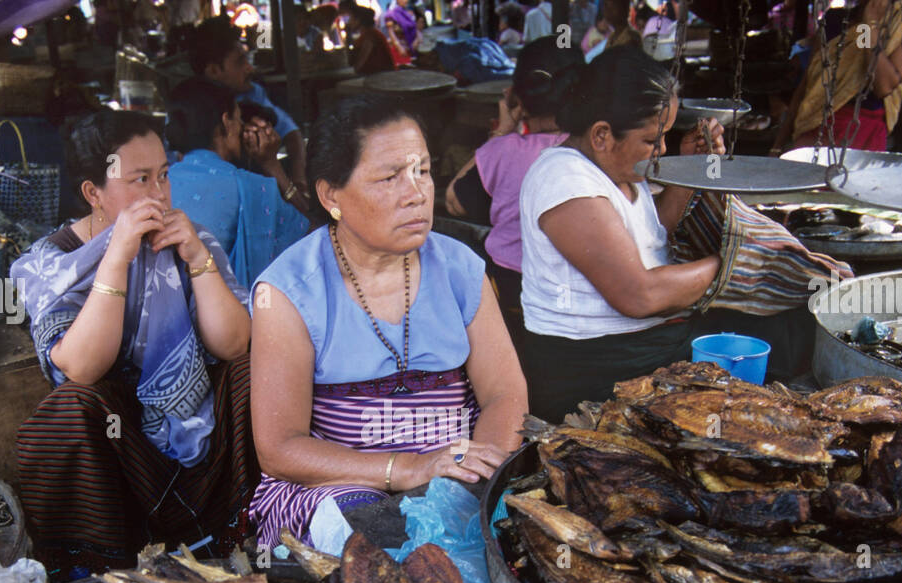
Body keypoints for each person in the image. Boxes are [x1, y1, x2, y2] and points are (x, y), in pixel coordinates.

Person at [247, 96, 527, 544]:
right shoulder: (286, 293)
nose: (416, 193)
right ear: (331, 195)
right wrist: (409, 469)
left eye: (423, 171)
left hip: (453, 473)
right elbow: (280, 449)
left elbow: (504, 392)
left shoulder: (460, 267)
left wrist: (480, 471)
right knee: (371, 547)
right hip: (343, 487)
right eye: (390, 177)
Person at [11, 111, 257, 575]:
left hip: (196, 422)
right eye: (140, 179)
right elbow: (80, 367)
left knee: (249, 374)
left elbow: (234, 345)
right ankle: (101, 569)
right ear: (93, 193)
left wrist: (199, 258)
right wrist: (117, 254)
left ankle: (242, 534)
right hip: (117, 438)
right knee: (68, 411)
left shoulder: (188, 237)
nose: (159, 194)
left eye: (163, 175)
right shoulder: (52, 261)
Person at [517, 47, 814, 422]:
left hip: (640, 343)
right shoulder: (563, 179)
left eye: (667, 137)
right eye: (652, 140)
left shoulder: (617, 170)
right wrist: (736, 261)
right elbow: (639, 294)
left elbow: (647, 239)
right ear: (602, 135)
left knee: (784, 322)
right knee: (783, 331)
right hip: (594, 368)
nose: (661, 151)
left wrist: (690, 172)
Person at [445, 36, 583, 345]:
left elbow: (453, 201)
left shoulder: (504, 149)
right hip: (571, 299)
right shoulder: (593, 150)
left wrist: (502, 131)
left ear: (516, 98)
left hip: (510, 296)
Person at [167, 78, 314, 290]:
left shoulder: (160, 182)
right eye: (238, 119)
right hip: (230, 318)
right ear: (226, 121)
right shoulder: (252, 188)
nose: (241, 128)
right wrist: (273, 167)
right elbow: (319, 235)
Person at [772, 0, 902, 153]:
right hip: (815, 125)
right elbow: (806, 85)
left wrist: (870, 25)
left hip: (862, 135)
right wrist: (777, 146)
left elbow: (883, 86)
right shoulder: (835, 19)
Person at [189, 16, 309, 194]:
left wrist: (299, 179)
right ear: (213, 71)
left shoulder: (253, 93)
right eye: (239, 62)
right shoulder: (188, 109)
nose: (249, 68)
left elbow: (291, 131)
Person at [348, 4, 398, 73]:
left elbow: (359, 64)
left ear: (358, 20)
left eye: (351, 19)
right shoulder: (368, 34)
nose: (349, 22)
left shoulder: (370, 36)